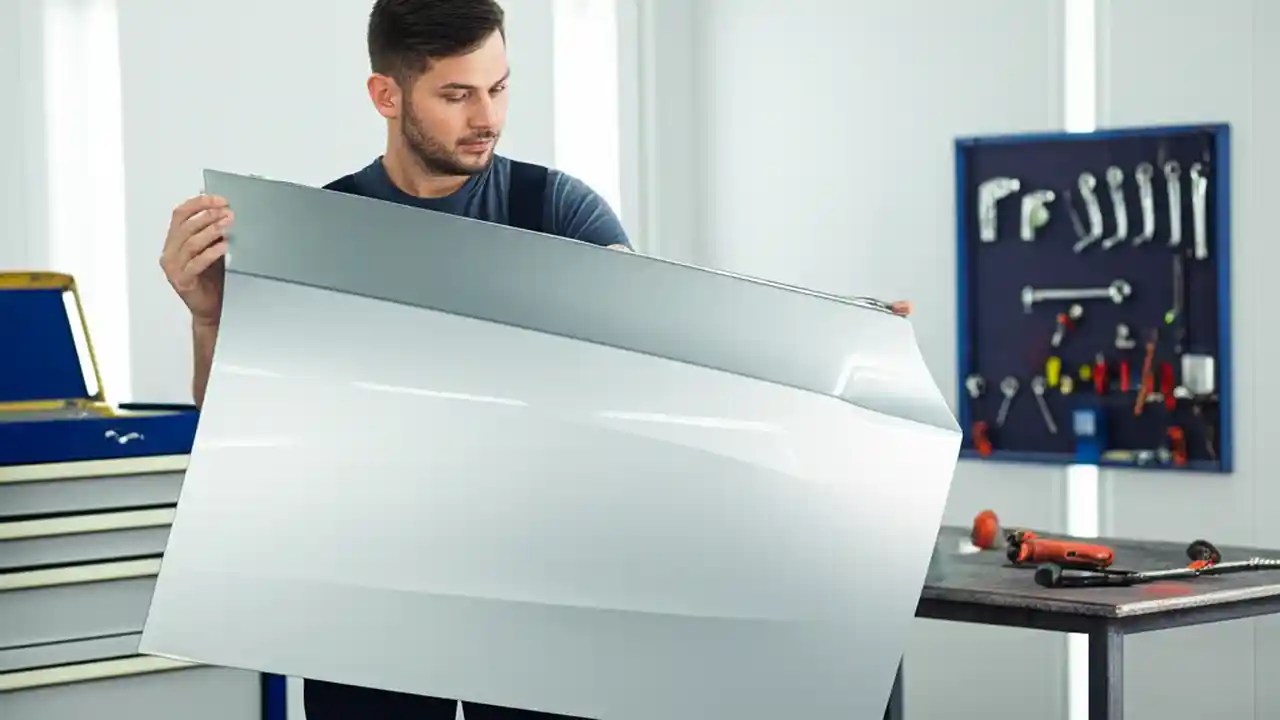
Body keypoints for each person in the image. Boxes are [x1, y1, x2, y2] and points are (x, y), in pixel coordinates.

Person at [158, 1, 910, 717]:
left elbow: (667, 349)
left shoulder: (556, 212)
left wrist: (835, 345)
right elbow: (244, 438)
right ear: (386, 94)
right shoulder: (318, 232)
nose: (487, 116)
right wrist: (208, 316)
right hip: (367, 598)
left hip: (535, 605)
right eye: (456, 94)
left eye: (499, 87)